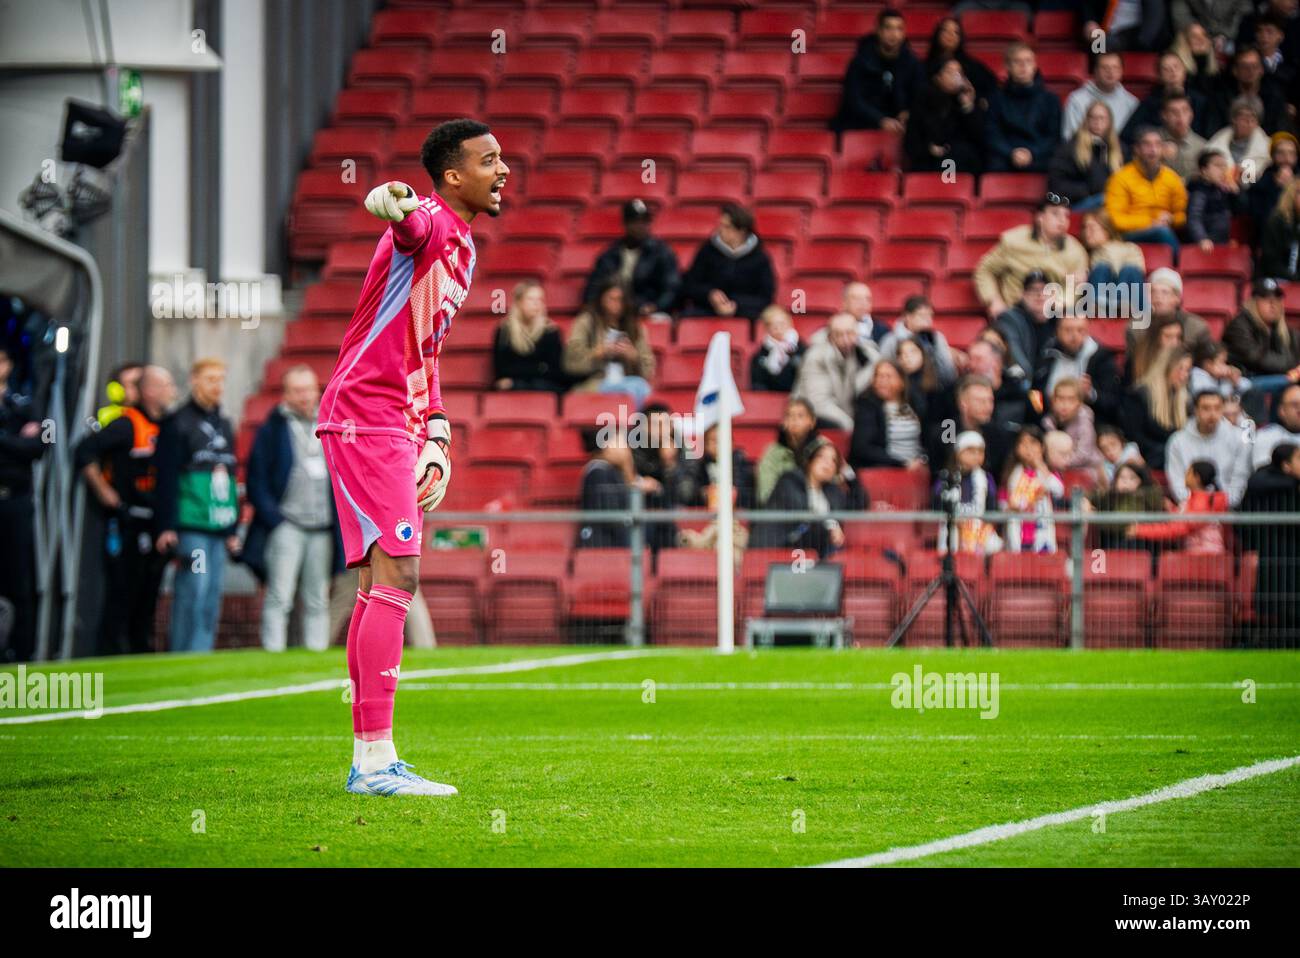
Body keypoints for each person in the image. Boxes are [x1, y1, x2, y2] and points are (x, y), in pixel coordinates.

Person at [315, 119, 509, 797]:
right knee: (400, 573)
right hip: (364, 416)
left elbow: (424, 350)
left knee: (378, 584)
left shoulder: (466, 248)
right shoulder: (431, 221)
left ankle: (373, 759)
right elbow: (406, 223)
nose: (503, 169)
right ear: (453, 176)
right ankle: (373, 761)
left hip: (390, 419)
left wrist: (437, 431)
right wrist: (389, 202)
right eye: (489, 161)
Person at [74, 364, 176, 656]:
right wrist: (104, 492)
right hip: (127, 520)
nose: (171, 391)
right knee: (122, 591)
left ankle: (140, 651)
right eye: (165, 385)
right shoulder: (125, 424)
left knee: (149, 594)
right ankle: (111, 653)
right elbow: (84, 451)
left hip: (155, 522)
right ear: (149, 390)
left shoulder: (169, 425)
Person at [244, 365, 344, 654]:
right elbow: (256, 478)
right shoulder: (272, 429)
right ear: (286, 394)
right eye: (298, 391)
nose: (305, 397)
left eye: (309, 390)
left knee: (318, 597)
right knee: (280, 594)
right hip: (287, 523)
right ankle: (273, 650)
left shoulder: (329, 423)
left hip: (322, 525)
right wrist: (274, 519)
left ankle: (315, 652)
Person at [154, 357, 241, 655]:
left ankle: (202, 656)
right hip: (191, 524)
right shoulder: (176, 423)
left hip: (218, 524)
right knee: (194, 590)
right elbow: (165, 477)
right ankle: (183, 655)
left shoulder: (226, 424)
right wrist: (166, 525)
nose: (217, 386)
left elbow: (230, 476)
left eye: (220, 380)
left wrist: (232, 527)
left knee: (212, 595)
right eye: (210, 379)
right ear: (193, 380)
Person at [975, 195, 1089, 321]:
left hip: (1054, 318)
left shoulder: (1075, 251)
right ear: (1040, 217)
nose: (1062, 220)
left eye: (1066, 216)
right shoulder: (1013, 241)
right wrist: (993, 301)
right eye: (1055, 214)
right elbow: (985, 271)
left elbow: (1076, 289)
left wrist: (1061, 305)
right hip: (1015, 316)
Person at [0, 345, 45, 662]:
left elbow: (36, 447)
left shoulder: (23, 404)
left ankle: (23, 651)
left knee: (20, 577)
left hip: (15, 500)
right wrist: (14, 439)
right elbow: (23, 444)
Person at [753, 436, 865, 557]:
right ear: (810, 461)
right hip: (779, 547)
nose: (828, 463)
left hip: (815, 551)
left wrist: (849, 473)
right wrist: (831, 527)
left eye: (834, 460)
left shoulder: (832, 493)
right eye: (822, 457)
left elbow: (860, 503)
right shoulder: (790, 480)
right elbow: (803, 512)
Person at [1238, 441, 1300, 641]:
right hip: (1277, 554)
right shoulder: (1268, 484)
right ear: (1286, 465)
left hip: (1285, 555)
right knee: (1282, 606)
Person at [563, 277, 656, 410]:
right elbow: (571, 363)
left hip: (626, 379)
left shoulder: (635, 327)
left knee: (640, 387)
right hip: (594, 383)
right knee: (636, 387)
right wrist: (599, 353)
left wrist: (633, 357)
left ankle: (633, 427)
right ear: (601, 299)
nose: (615, 304)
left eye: (620, 300)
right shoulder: (586, 322)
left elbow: (648, 370)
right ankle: (634, 428)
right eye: (611, 299)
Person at [830, 7, 924, 134]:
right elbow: (853, 100)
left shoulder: (912, 63)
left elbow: (920, 96)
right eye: (888, 28)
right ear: (879, 30)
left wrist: (908, 112)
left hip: (899, 129)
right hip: (861, 126)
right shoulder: (860, 62)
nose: (894, 34)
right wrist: (880, 120)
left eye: (899, 29)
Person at [582, 199, 680, 319]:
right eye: (636, 222)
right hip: (614, 311)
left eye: (645, 221)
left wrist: (656, 306)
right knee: (589, 320)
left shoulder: (661, 252)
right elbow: (594, 287)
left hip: (647, 312)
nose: (641, 226)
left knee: (660, 320)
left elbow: (671, 289)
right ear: (626, 224)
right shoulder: (610, 254)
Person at [680, 203, 775, 321]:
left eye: (727, 226)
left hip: (746, 315)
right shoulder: (707, 250)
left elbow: (765, 297)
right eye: (720, 225)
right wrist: (709, 295)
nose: (720, 229)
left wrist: (736, 304)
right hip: (707, 310)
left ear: (741, 231)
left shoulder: (760, 257)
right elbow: (690, 285)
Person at [1105, 127, 1189, 258]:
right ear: (1136, 149)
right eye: (1147, 144)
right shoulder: (1121, 178)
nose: (1153, 149)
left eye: (1157, 144)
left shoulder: (1172, 178)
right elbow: (1115, 220)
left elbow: (1183, 214)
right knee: (1162, 232)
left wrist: (1171, 219)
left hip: (1165, 230)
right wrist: (1151, 222)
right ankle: (1179, 267)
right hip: (1130, 235)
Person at [1032, 313, 1125, 425]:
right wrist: (1039, 412)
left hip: (1091, 426)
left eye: (1080, 330)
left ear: (1087, 331)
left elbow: (1113, 403)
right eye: (1068, 330)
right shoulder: (1046, 354)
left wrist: (1091, 394)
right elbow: (1034, 392)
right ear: (1057, 331)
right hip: (1047, 422)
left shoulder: (1101, 358)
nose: (1074, 336)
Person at [1163, 389, 1252, 505]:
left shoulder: (1238, 439)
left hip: (1226, 511)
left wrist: (1221, 504)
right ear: (1195, 410)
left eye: (1217, 408)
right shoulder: (1177, 441)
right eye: (1206, 408)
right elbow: (1176, 481)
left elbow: (1239, 478)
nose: (1212, 414)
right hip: (1190, 513)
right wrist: (1196, 506)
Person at [575, 431, 659, 549]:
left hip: (615, 542)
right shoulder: (598, 472)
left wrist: (627, 464)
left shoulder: (611, 470)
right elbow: (614, 514)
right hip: (604, 545)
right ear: (607, 446)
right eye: (621, 443)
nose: (626, 448)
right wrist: (627, 464)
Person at [794, 311, 877, 430]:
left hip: (844, 416)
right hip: (812, 419)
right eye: (839, 334)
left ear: (857, 333)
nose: (846, 339)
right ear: (830, 336)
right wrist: (851, 426)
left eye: (850, 333)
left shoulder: (867, 354)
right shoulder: (815, 357)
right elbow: (819, 404)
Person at [904, 56, 986, 175]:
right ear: (937, 77)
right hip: (928, 160)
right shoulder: (923, 101)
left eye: (959, 73)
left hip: (959, 163)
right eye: (950, 72)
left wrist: (968, 106)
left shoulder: (970, 103)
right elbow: (912, 138)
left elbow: (979, 138)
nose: (956, 77)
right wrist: (930, 149)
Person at [985, 44, 1060, 174]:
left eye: (1028, 61)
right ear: (1007, 66)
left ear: (1034, 66)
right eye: (1017, 62)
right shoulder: (996, 99)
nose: (1023, 66)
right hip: (1004, 157)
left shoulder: (1051, 100)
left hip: (1040, 156)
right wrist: (1011, 152)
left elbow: (1053, 137)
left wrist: (1032, 152)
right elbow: (992, 134)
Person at [1125, 268, 1214, 374]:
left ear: (1177, 298)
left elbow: (1206, 365)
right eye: (1153, 292)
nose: (1157, 297)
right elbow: (1133, 366)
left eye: (1165, 292)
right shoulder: (1136, 327)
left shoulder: (1197, 327)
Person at [1129, 459, 1230, 553]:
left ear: (1197, 478)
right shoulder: (1198, 500)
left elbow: (1178, 528)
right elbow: (1186, 520)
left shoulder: (1200, 503)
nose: (1185, 475)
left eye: (1188, 472)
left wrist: (1139, 530)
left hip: (1204, 557)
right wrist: (1171, 508)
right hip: (1199, 554)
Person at [926, 375, 1012, 478]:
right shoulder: (947, 430)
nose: (987, 406)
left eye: (990, 400)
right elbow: (940, 469)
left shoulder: (998, 434)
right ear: (963, 404)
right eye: (980, 401)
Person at [1124, 343, 1194, 469]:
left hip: (1176, 458)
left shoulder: (1185, 399)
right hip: (1150, 458)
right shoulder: (1139, 395)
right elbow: (1135, 436)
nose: (1184, 375)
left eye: (1188, 370)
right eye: (1180, 369)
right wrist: (1169, 451)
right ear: (1165, 368)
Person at [849, 359, 926, 470]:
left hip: (916, 467)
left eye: (888, 376)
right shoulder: (867, 406)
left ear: (902, 382)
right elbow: (862, 448)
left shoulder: (915, 404)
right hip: (885, 468)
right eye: (879, 376)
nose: (882, 381)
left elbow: (927, 438)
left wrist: (922, 459)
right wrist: (902, 463)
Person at [491, 281, 567, 394]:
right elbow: (502, 370)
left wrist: (519, 374)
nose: (536, 304)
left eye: (540, 300)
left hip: (544, 388)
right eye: (530, 299)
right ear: (518, 302)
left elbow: (556, 372)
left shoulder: (551, 331)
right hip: (513, 389)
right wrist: (539, 368)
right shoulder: (504, 331)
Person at [935, 431, 1002, 556]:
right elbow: (938, 501)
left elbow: (991, 505)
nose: (976, 456)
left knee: (994, 544)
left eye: (980, 451)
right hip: (952, 525)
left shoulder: (986, 478)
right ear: (958, 453)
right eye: (971, 451)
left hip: (978, 527)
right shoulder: (946, 476)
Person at [1000, 425, 1065, 554]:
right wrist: (1010, 507)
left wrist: (1040, 466)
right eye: (1023, 444)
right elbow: (1003, 500)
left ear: (1042, 447)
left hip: (1041, 529)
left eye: (1033, 443)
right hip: (1019, 529)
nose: (1028, 448)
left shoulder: (1048, 472)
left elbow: (1058, 490)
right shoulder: (1011, 473)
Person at [1223, 277, 1300, 384]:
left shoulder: (1282, 328)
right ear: (1253, 302)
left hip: (1272, 377)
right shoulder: (1239, 325)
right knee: (1288, 381)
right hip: (1246, 380)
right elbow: (1257, 359)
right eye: (1266, 298)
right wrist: (1293, 366)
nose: (1272, 304)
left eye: (1277, 298)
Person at [1123, 55, 1213, 147]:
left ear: (1184, 71)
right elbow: (1131, 133)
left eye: (1176, 67)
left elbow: (1210, 133)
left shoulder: (1200, 100)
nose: (1173, 72)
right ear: (1159, 75)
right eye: (1166, 69)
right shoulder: (1150, 102)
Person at [1048, 102, 1124, 209]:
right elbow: (1057, 184)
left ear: (1109, 122)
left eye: (1102, 118)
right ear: (1086, 121)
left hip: (1113, 203)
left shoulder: (1120, 149)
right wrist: (1087, 190)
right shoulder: (1069, 148)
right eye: (1093, 118)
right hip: (1080, 203)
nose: (1097, 122)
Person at [1087, 460, 1169, 552]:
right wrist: (1085, 501)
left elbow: (1121, 522)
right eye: (1122, 478)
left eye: (1132, 478)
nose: (1126, 482)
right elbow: (1096, 496)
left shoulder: (1141, 497)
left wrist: (1094, 516)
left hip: (1139, 546)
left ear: (1141, 481)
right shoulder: (1113, 495)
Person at [1207, 47, 1290, 137]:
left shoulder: (1274, 98)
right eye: (1244, 66)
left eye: (1254, 66)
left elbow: (1281, 131)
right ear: (1235, 70)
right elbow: (1213, 132)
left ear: (1261, 70)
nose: (1250, 71)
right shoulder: (1221, 98)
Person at [1080, 210, 1146, 321]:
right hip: (1099, 299)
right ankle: (1098, 304)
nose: (1087, 233)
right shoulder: (1083, 253)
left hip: (1127, 295)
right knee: (1101, 269)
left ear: (1106, 230)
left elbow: (1138, 273)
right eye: (1085, 228)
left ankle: (1121, 305)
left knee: (1130, 270)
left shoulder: (1130, 248)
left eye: (1092, 228)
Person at [880, 295, 959, 386]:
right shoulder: (890, 341)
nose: (928, 320)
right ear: (907, 317)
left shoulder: (936, 338)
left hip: (933, 390)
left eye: (930, 316)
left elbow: (948, 371)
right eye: (922, 315)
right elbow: (884, 369)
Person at [993, 271, 1059, 379]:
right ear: (1023, 295)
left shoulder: (1061, 321)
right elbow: (1015, 358)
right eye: (1033, 290)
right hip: (1023, 384)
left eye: (1045, 290)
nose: (1040, 295)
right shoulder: (1010, 320)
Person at [756, 397, 820, 506]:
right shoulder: (773, 453)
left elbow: (833, 489)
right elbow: (765, 494)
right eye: (789, 415)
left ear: (812, 421)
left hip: (819, 511)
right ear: (784, 422)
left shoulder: (822, 448)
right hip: (782, 514)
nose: (794, 420)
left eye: (800, 415)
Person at [924, 16, 998, 109]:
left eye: (956, 32)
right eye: (945, 31)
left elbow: (992, 86)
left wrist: (976, 98)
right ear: (937, 35)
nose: (950, 35)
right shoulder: (925, 66)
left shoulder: (971, 65)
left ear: (961, 38)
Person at [1062, 52, 1139, 140]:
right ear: (1095, 71)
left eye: (1115, 68)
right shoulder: (1076, 100)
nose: (1110, 72)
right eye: (1105, 68)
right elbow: (1069, 137)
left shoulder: (1132, 102)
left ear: (1122, 71)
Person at [1041, 377, 1104, 472]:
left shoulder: (1084, 419)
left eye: (1071, 400)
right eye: (1060, 398)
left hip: (1087, 470)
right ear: (1053, 401)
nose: (1065, 404)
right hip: (1056, 470)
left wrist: (1062, 462)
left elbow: (1084, 454)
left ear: (1079, 403)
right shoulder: (1047, 421)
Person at [1205, 95, 1273, 182]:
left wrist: (1244, 175)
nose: (1248, 121)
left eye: (1253, 117)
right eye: (1243, 116)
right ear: (1234, 119)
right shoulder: (1215, 144)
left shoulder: (1268, 149)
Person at [1243, 132, 1298, 230]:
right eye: (1281, 153)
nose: (1287, 158)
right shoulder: (1261, 184)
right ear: (1272, 156)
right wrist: (1277, 188)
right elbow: (1260, 219)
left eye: (1291, 153)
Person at [1186, 149, 1238, 250]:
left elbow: (1241, 210)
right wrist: (1202, 238)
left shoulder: (1222, 191)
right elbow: (1194, 218)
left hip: (1220, 243)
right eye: (1218, 165)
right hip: (1205, 246)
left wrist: (1236, 194)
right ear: (1204, 170)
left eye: (1224, 165)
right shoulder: (1198, 191)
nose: (1223, 170)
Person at [750, 305, 805, 392]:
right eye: (773, 325)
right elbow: (758, 383)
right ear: (766, 328)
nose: (778, 329)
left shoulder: (802, 349)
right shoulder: (760, 354)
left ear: (790, 323)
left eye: (782, 324)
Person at [1157, 93, 1212, 181]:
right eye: (1174, 112)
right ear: (1164, 115)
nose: (1180, 117)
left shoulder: (1202, 147)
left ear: (1191, 114)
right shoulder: (1152, 142)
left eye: (1185, 110)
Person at [1258, 178, 1300, 279]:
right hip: (1274, 280)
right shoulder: (1276, 221)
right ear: (1292, 196)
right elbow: (1271, 263)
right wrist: (1295, 278)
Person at [1252, 382, 1300, 468]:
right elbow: (1264, 476)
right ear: (1282, 411)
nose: (1299, 410)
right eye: (1294, 405)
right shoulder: (1265, 437)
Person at [1170, 21, 1223, 91]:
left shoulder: (1217, 72)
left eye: (1204, 35)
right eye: (1194, 36)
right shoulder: (1177, 70)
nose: (1201, 39)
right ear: (1184, 41)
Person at [96, 361, 143, 429]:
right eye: (134, 384)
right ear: (117, 390)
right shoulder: (111, 419)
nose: (141, 388)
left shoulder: (157, 416)